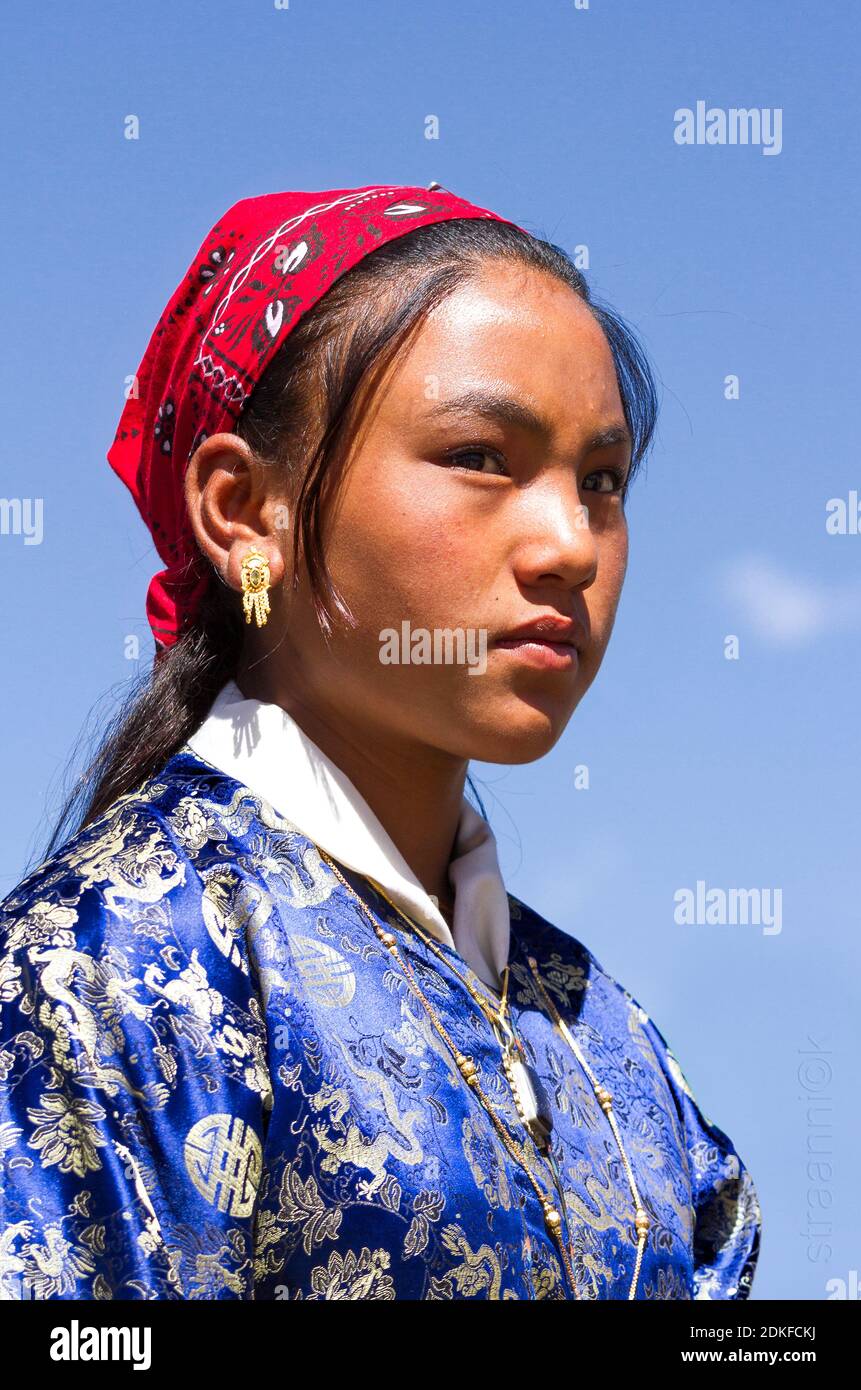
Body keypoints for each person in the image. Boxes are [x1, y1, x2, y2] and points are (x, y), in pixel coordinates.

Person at [0, 183, 760, 1301]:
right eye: (478, 456)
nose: (569, 543)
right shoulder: (108, 972)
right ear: (243, 512)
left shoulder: (610, 1043)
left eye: (599, 481)